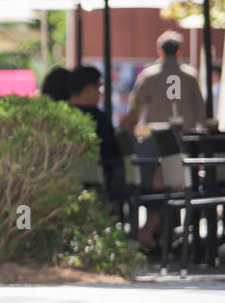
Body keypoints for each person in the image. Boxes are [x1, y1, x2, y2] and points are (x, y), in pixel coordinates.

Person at [121, 30, 207, 252]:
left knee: (155, 183)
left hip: (154, 144)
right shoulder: (190, 75)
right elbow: (200, 111)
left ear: (159, 50)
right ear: (180, 51)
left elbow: (135, 107)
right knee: (180, 183)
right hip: (184, 144)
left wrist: (128, 129)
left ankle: (151, 230)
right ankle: (162, 233)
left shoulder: (149, 75)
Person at [67, 65, 123, 197]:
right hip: (101, 180)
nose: (100, 93)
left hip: (69, 180)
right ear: (88, 88)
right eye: (99, 88)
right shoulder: (97, 117)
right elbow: (114, 150)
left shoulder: (61, 115)